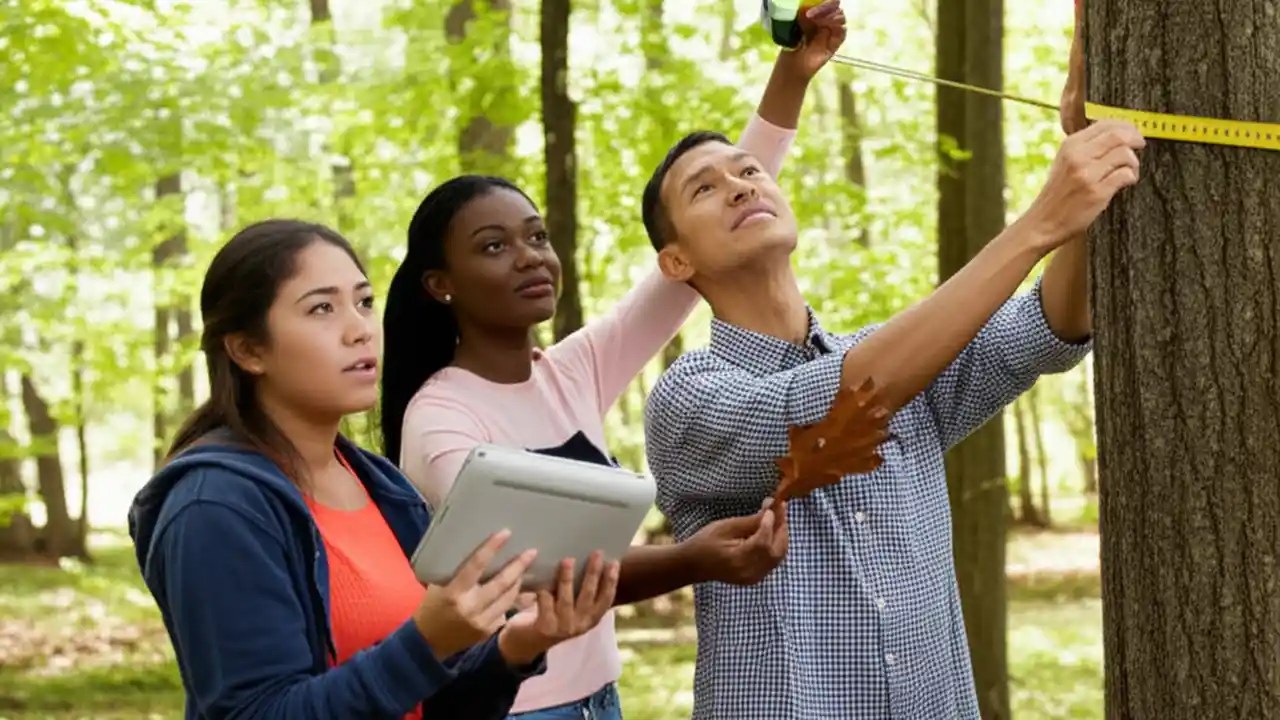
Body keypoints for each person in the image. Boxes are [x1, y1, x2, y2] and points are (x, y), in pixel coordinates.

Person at [377, 3, 848, 717]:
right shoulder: (439, 415)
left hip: (601, 700)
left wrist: (794, 73)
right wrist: (693, 559)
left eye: (537, 236)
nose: (530, 257)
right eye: (494, 247)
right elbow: (530, 562)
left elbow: (717, 226)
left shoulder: (572, 371)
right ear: (441, 285)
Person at [638, 74, 1145, 719]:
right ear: (677, 263)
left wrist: (1083, 162)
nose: (740, 185)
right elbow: (843, 399)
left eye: (750, 170)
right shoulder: (687, 397)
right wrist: (1041, 222)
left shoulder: (903, 357)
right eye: (704, 189)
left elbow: (1050, 326)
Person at [128, 220, 617, 720]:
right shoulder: (215, 506)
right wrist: (425, 643)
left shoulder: (382, 486)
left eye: (364, 302)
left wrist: (516, 646)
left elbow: (425, 705)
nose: (360, 329)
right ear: (248, 350)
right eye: (321, 308)